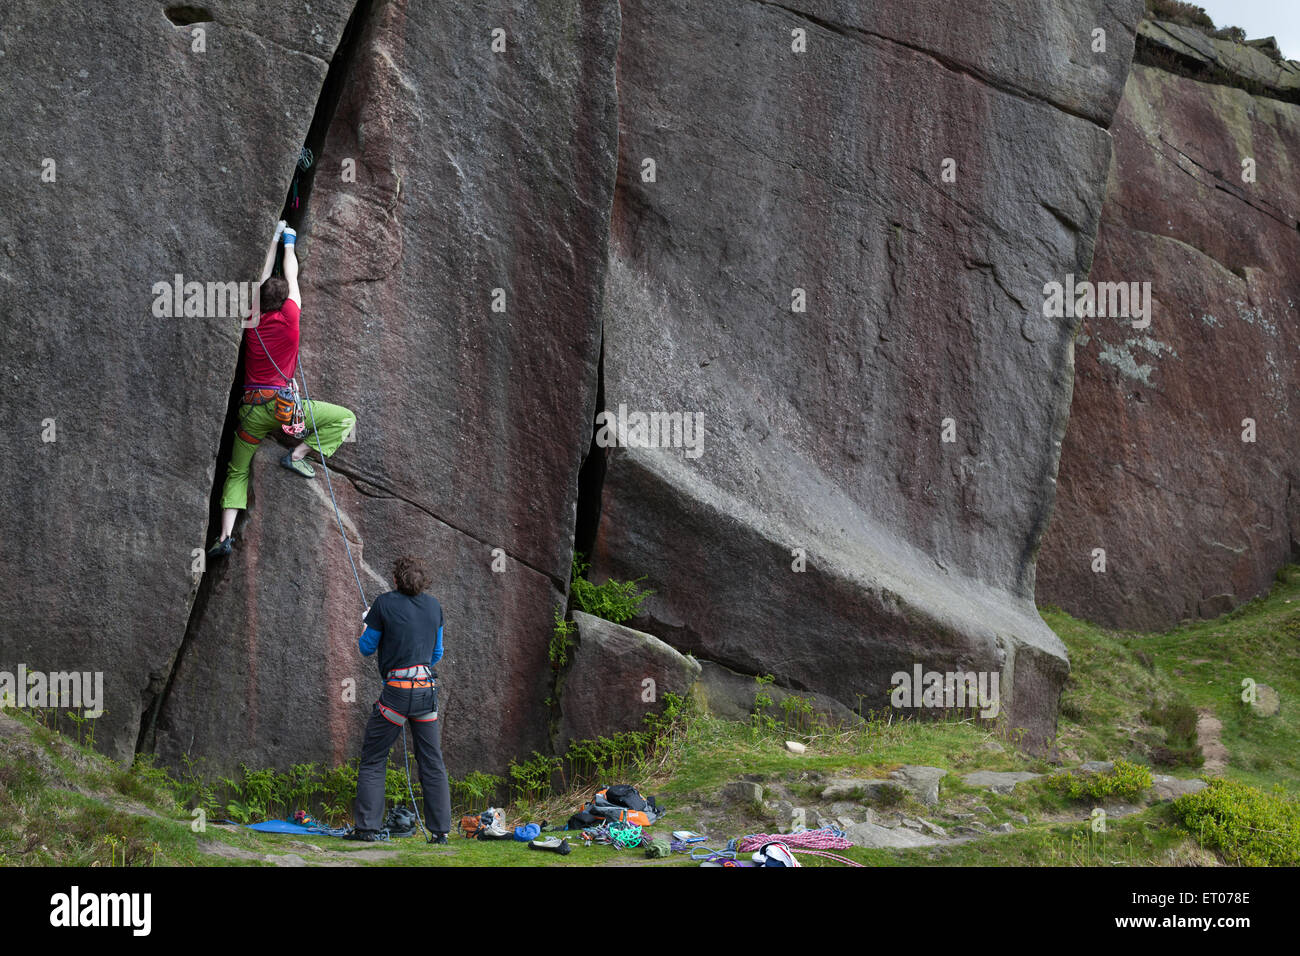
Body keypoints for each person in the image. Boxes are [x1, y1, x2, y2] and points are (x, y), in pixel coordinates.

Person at [207, 221, 357, 558]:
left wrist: (273, 237)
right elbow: (291, 278)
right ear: (285, 301)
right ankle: (297, 455)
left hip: (251, 411)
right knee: (345, 418)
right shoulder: (291, 316)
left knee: (237, 468)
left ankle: (225, 536)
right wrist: (290, 243)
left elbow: (261, 280)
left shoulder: (251, 319)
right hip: (284, 408)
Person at [350, 555, 453, 843]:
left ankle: (367, 829)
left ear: (395, 579)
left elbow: (366, 648)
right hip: (424, 691)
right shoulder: (434, 606)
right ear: (422, 581)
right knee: (432, 761)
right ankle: (441, 832)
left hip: (396, 692)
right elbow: (436, 654)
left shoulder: (383, 604)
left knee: (374, 758)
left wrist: (366, 623)